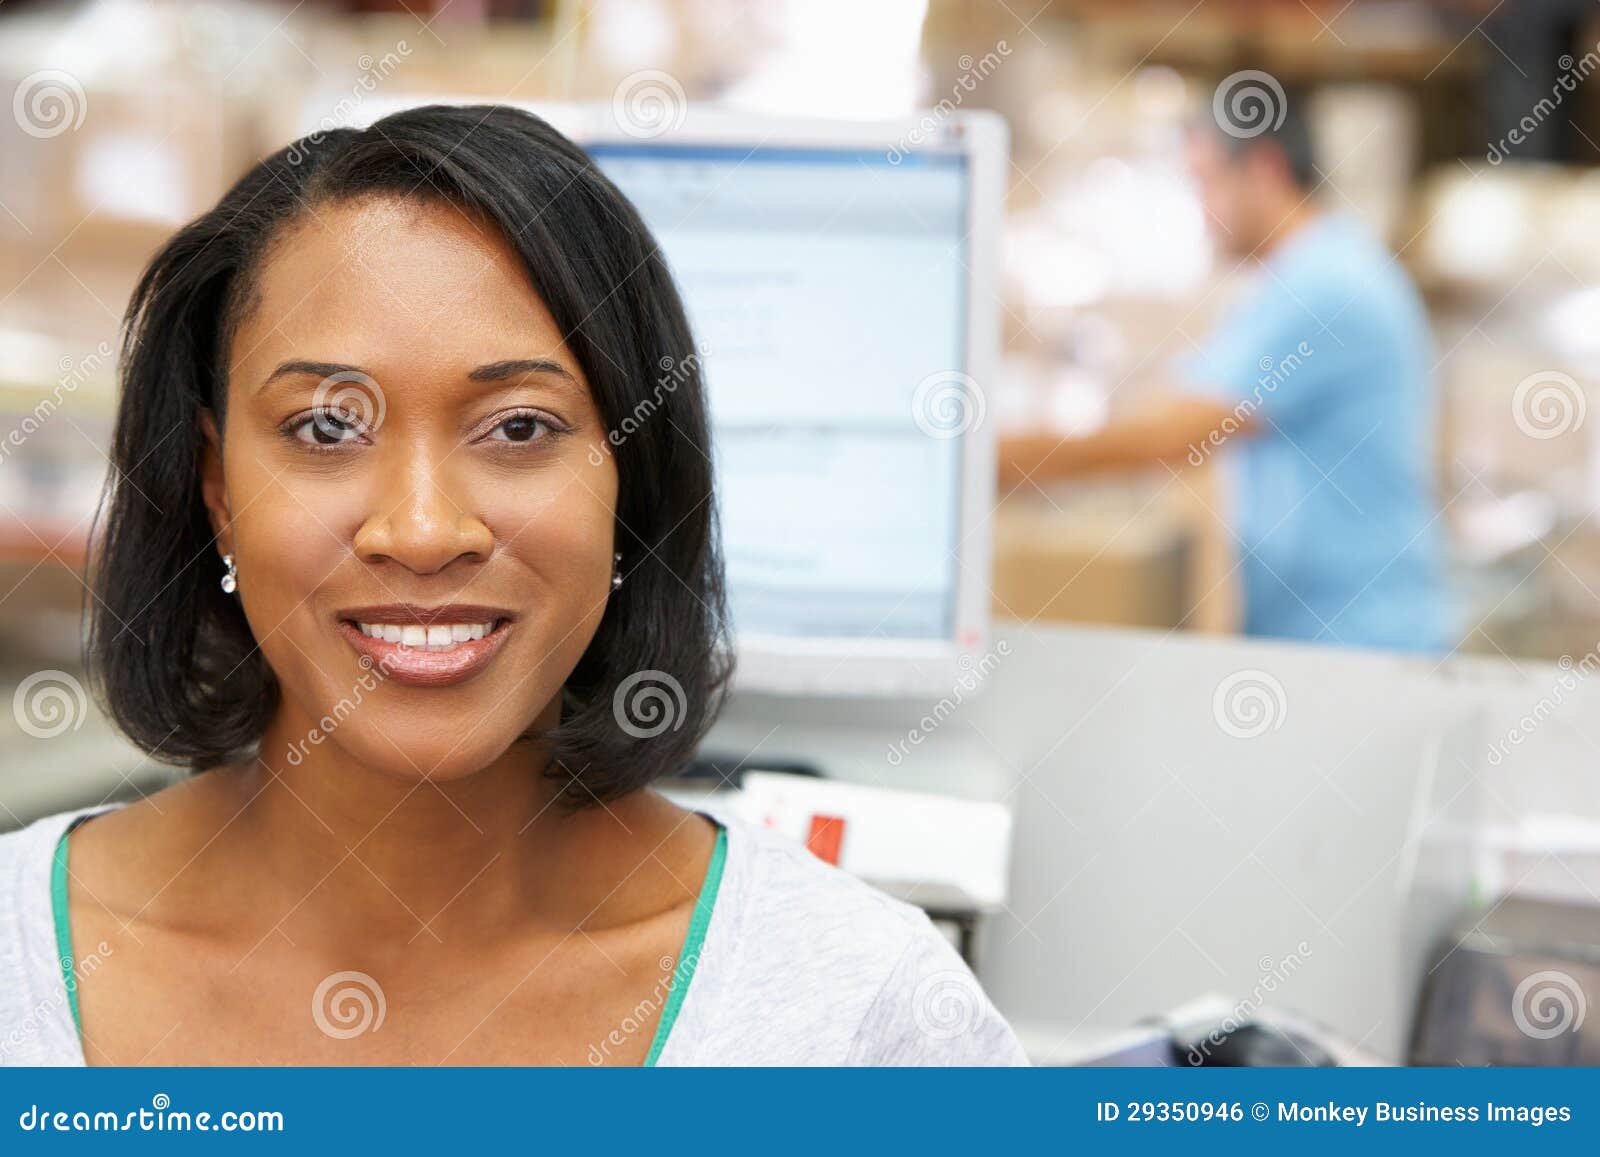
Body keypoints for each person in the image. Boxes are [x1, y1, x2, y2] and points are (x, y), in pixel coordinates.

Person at [0, 105, 1025, 1067]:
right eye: (325, 427)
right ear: (215, 487)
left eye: (521, 427)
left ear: (634, 475)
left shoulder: (859, 1015)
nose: (423, 530)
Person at [1000, 87, 1451, 653]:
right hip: (1320, 634)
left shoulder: (1327, 285)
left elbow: (1172, 433)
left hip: (1359, 639)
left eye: (1206, 181)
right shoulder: (1298, 276)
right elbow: (1184, 393)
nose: (1202, 208)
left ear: (1263, 168)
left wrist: (1000, 460)